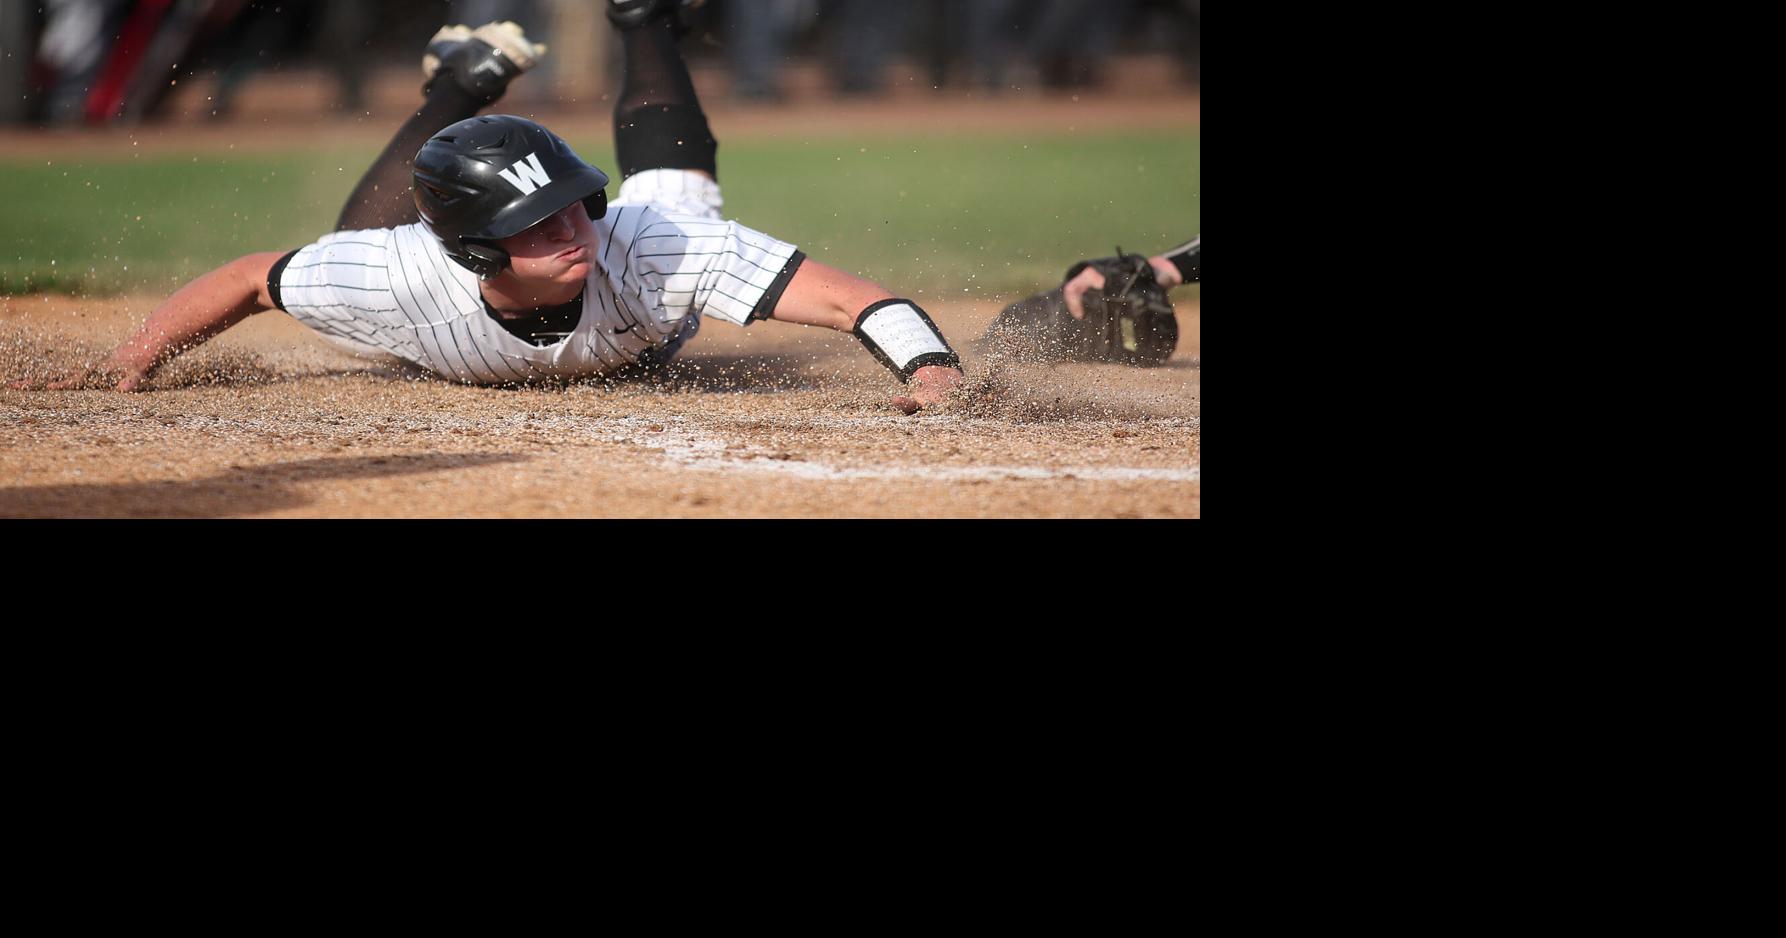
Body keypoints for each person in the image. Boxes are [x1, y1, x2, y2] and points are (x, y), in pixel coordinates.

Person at [14, 0, 965, 414]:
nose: (572, 229)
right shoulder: (403, 277)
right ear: (473, 253)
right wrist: (131, 363)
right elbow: (247, 279)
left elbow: (856, 302)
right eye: (535, 224)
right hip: (425, 275)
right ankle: (461, 84)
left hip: (656, 299)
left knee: (677, 194)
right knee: (352, 241)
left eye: (574, 205)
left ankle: (641, 17)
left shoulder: (645, 244)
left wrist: (931, 370)